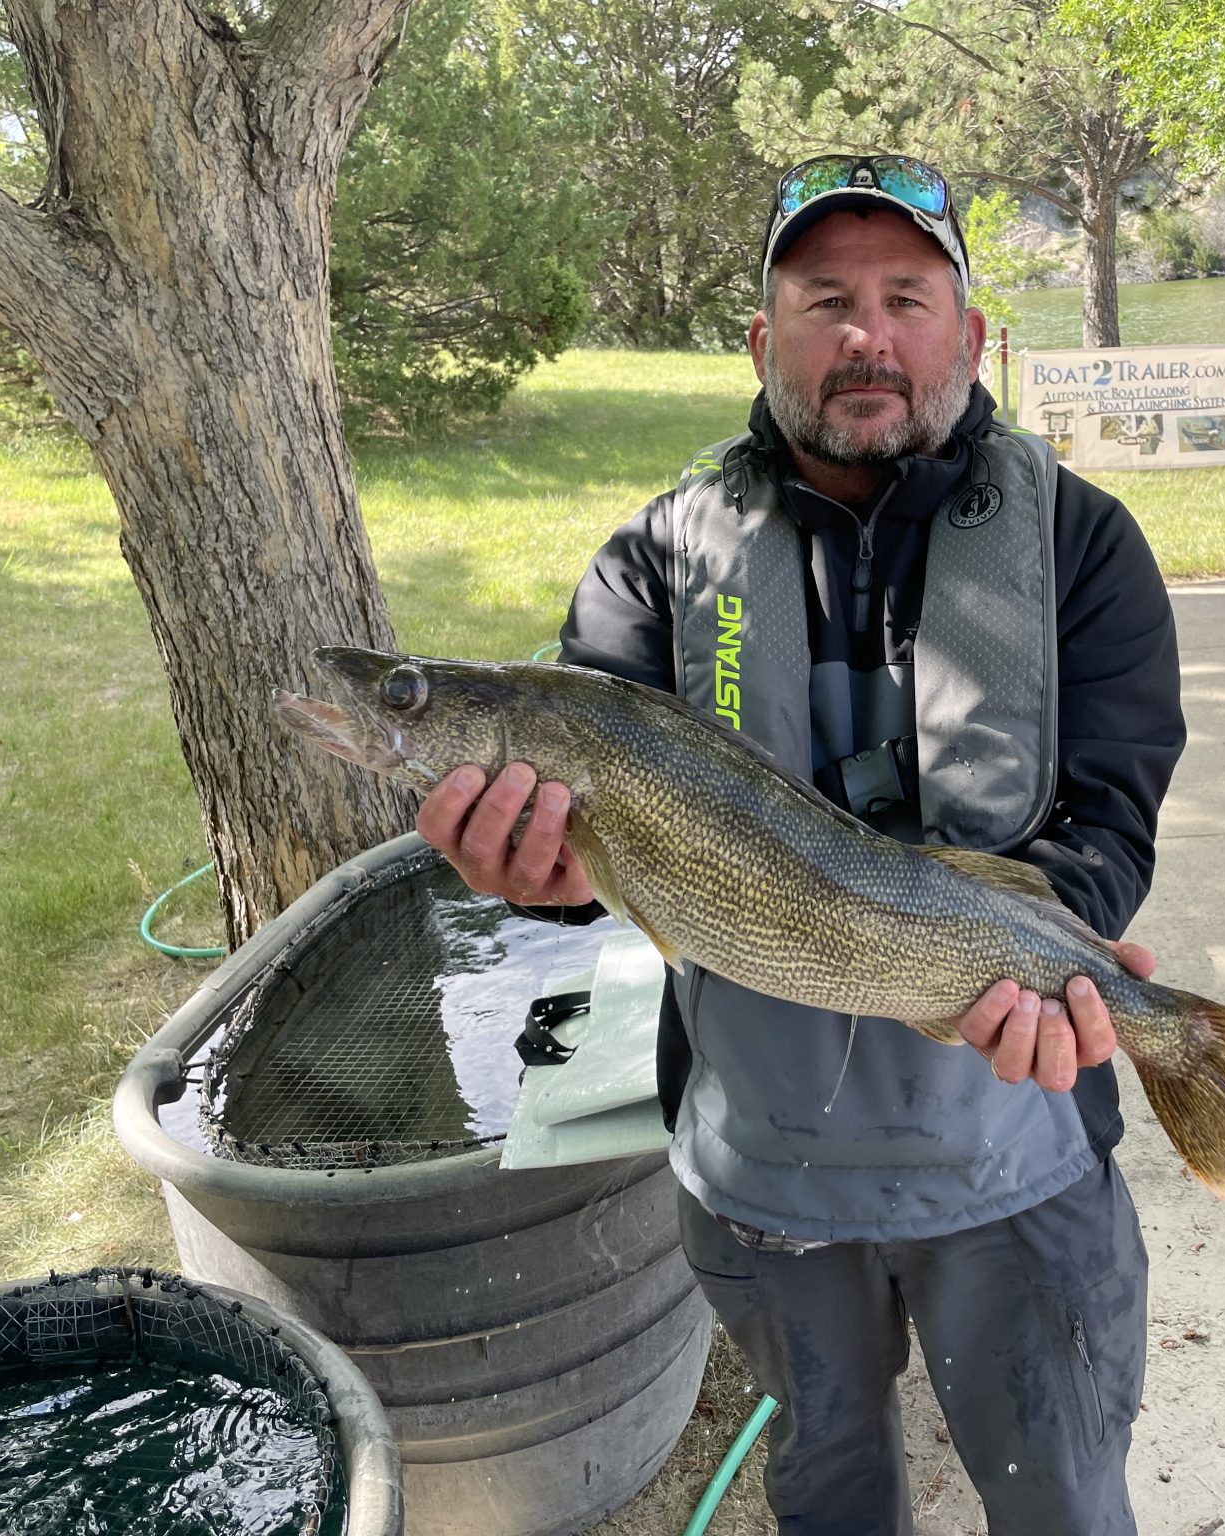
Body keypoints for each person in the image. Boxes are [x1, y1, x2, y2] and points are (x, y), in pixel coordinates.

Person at [417, 153, 1186, 1536]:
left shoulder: (1083, 545)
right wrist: (533, 886)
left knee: (1065, 1500)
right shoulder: (650, 565)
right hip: (765, 1174)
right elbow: (588, 882)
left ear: (970, 331)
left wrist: (1050, 965)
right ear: (764, 339)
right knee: (830, 1503)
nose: (866, 335)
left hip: (1018, 1158)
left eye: (905, 295)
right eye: (824, 298)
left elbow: (1109, 821)